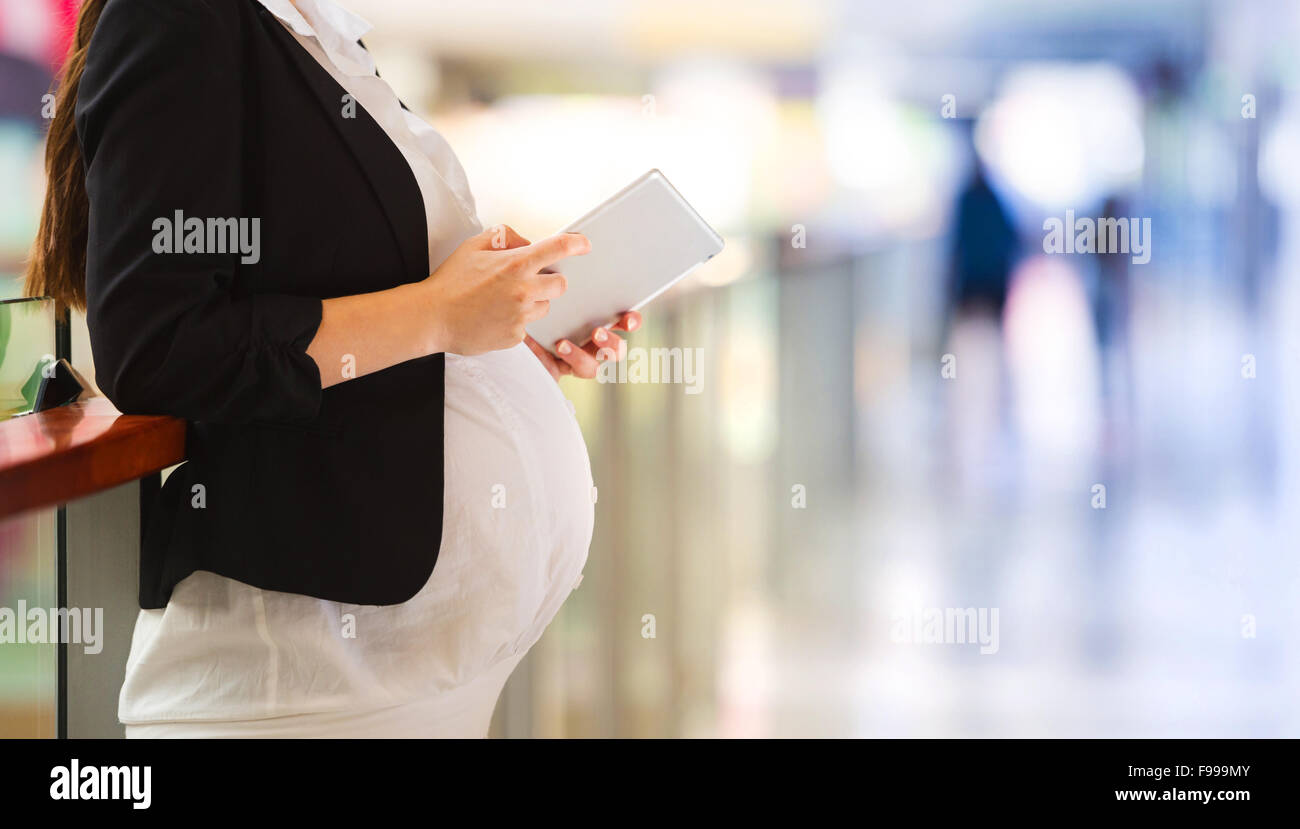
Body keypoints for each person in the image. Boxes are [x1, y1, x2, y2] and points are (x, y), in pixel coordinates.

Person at [25, 0, 640, 737]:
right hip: (300, 681)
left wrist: (496, 341)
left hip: (408, 681)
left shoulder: (317, 35)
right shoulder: (180, 15)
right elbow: (156, 344)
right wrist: (441, 316)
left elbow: (343, 299)